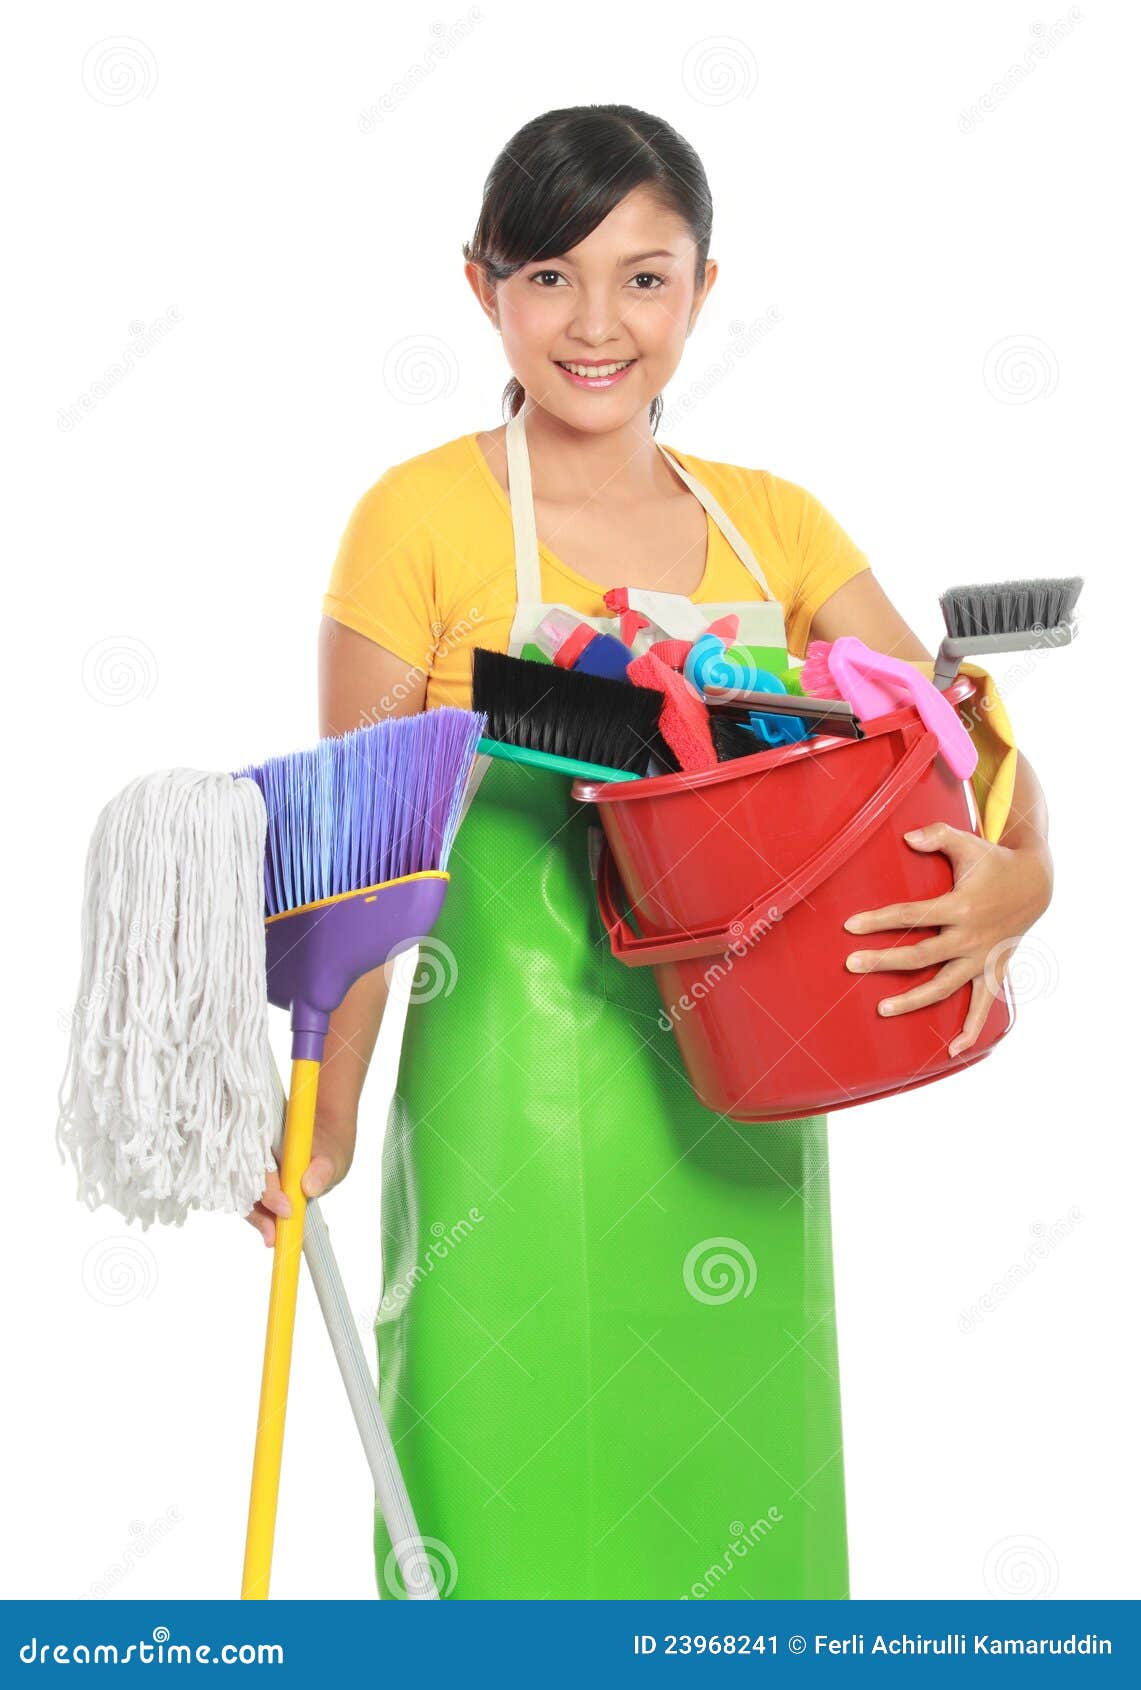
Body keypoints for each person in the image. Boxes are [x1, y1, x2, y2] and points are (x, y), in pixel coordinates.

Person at [245, 105, 1054, 1600]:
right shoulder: (414, 518)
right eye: (548, 275)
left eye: (643, 276)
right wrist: (334, 1107)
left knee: (738, 1515)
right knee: (500, 1498)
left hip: (740, 1094)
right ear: (481, 285)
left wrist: (1028, 867)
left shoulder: (773, 526)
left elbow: (945, 733)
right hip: (503, 1103)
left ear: (702, 286)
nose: (596, 322)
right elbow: (360, 858)